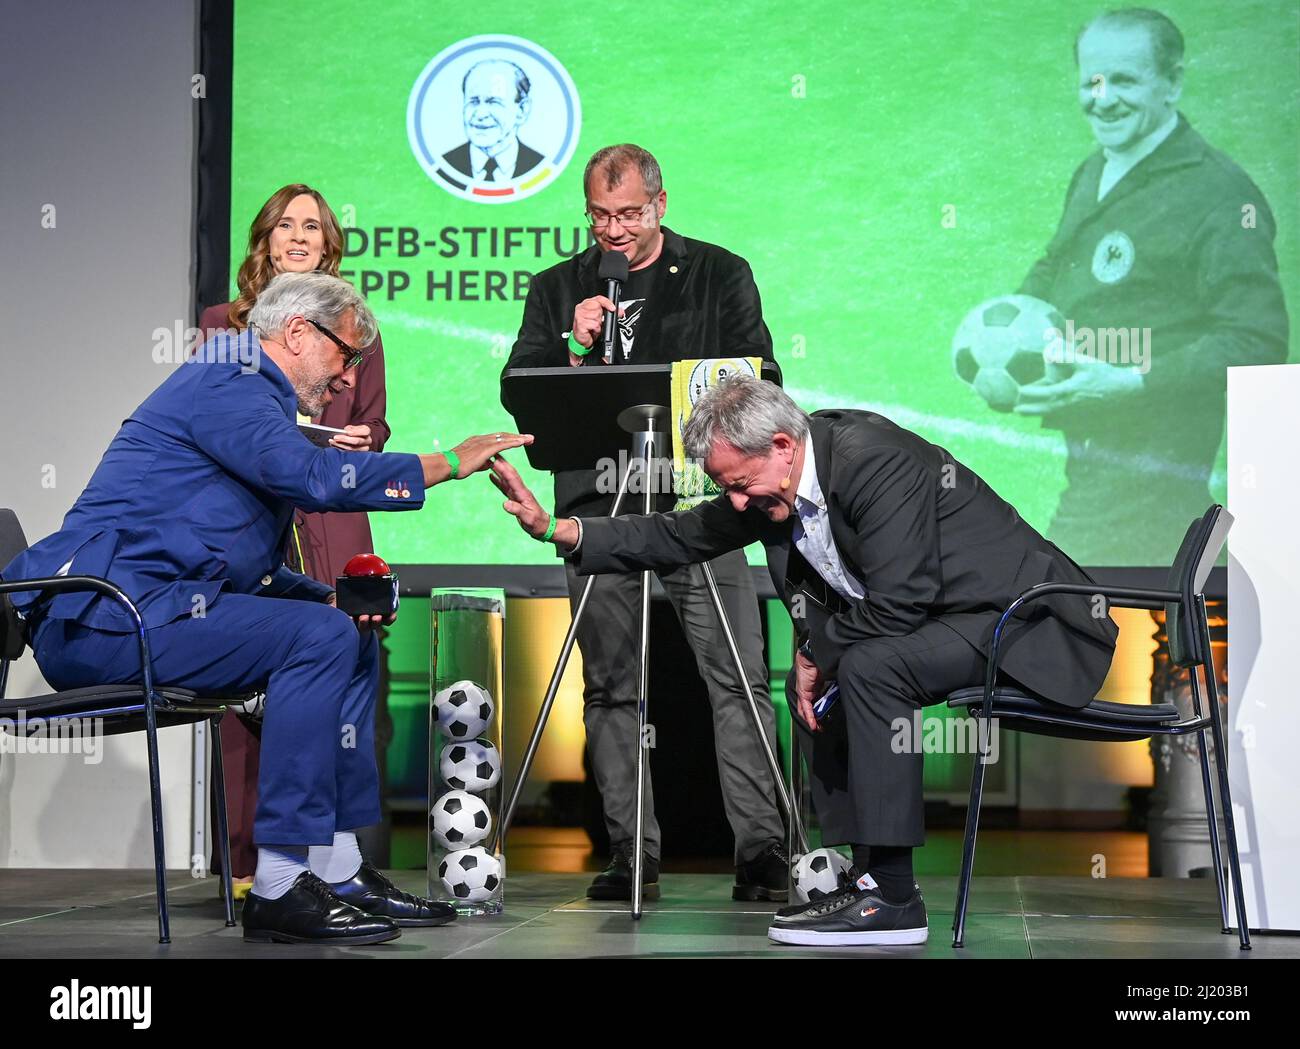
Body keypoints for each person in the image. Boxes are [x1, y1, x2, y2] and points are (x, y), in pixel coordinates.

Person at [489, 374, 1118, 946]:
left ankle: (896, 898)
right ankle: (866, 882)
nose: (735, 502)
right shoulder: (769, 491)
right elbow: (680, 535)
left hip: (1033, 621)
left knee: (871, 669)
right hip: (960, 621)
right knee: (833, 686)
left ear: (785, 446)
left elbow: (900, 605)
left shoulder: (874, 463)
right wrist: (558, 529)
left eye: (738, 484)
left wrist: (818, 652)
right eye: (724, 487)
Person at [3, 272, 532, 945]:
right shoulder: (229, 378)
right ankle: (279, 884)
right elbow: (311, 479)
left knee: (345, 626)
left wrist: (326, 596)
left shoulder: (255, 395)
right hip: (103, 618)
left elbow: (228, 562)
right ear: (298, 333)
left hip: (158, 606)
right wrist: (447, 462)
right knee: (316, 637)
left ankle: (338, 867)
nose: (347, 380)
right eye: (346, 357)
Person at [501, 144, 788, 901]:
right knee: (608, 685)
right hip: (600, 501)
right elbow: (521, 397)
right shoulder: (559, 287)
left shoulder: (719, 272)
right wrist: (573, 346)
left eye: (629, 214)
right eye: (600, 215)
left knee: (739, 676)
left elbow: (763, 378)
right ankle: (632, 852)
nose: (614, 230)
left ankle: (763, 852)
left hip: (699, 502)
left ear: (660, 204)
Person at [1012, 7, 1288, 564]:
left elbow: (1259, 342)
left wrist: (1130, 379)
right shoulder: (1097, 168)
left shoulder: (1219, 197)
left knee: (1066, 612)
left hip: (1147, 467)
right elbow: (1057, 261)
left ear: (1173, 82)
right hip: (1095, 456)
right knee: (1135, 606)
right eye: (1091, 80)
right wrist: (1015, 323)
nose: (1103, 97)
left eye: (1126, 80)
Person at [199, 183, 392, 898]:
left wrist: (367, 441)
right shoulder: (225, 324)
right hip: (259, 514)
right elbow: (215, 421)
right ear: (265, 239)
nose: (301, 235)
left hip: (334, 521)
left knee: (345, 673)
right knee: (248, 694)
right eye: (287, 224)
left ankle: (334, 862)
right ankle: (256, 867)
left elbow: (374, 424)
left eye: (314, 225)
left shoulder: (354, 325)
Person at [442, 60, 544, 182]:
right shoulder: (446, 165)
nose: (480, 114)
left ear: (522, 110)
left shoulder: (539, 166)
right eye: (473, 101)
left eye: (494, 102)